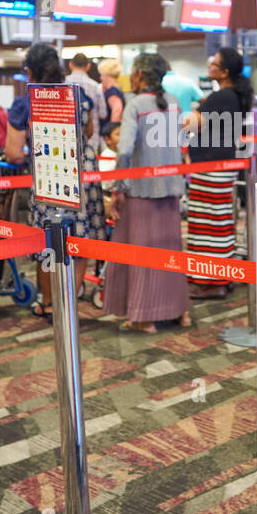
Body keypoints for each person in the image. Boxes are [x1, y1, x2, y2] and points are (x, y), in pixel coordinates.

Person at [4, 43, 108, 316]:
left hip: (50, 178)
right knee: (80, 236)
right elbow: (88, 132)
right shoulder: (80, 97)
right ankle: (70, 304)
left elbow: (13, 153)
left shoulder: (25, 102)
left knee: (49, 241)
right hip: (83, 174)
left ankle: (50, 304)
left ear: (29, 71)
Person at [103, 53, 192, 333]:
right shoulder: (174, 104)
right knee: (170, 254)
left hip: (141, 192)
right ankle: (181, 313)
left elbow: (125, 149)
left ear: (140, 75)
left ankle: (144, 317)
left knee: (141, 256)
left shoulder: (136, 105)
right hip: (171, 191)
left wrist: (118, 188)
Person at [184, 47, 253, 298]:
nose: (210, 66)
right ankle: (221, 276)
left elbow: (191, 123)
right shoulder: (234, 95)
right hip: (222, 167)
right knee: (220, 220)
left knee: (207, 223)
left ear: (224, 72)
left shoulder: (222, 97)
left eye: (215, 64)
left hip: (210, 168)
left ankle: (210, 282)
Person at [66, 52, 107, 146]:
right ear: (88, 66)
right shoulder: (96, 87)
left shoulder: (62, 84)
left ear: (70, 65)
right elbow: (103, 114)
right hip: (91, 141)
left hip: (67, 141)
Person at [97, 57, 126, 136]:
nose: (101, 78)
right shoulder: (116, 89)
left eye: (102, 75)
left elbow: (117, 110)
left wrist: (111, 132)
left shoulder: (112, 91)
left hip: (109, 134)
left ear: (107, 75)